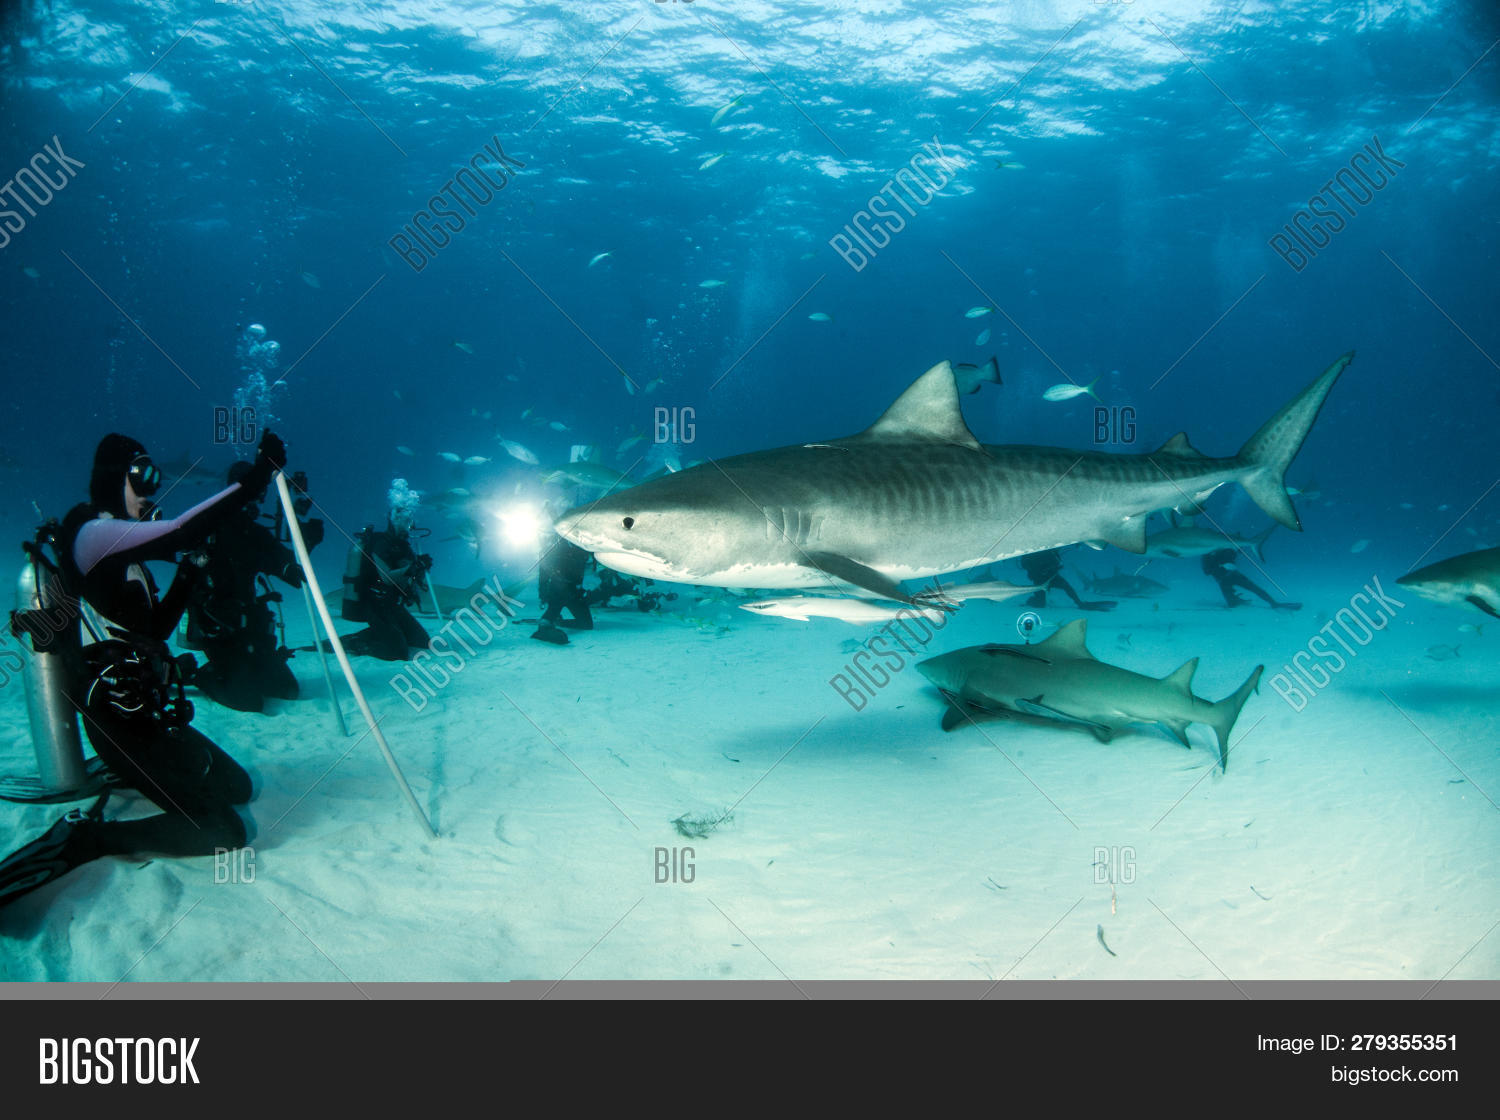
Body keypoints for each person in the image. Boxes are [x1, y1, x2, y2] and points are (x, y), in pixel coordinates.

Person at [0, 430, 287, 908]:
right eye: (142, 476)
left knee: (237, 786)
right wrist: (255, 479)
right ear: (115, 478)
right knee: (223, 828)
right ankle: (90, 840)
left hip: (147, 713)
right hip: (114, 723)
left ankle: (129, 777)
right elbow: (180, 531)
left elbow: (153, 629)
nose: (151, 488)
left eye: (156, 476)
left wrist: (192, 570)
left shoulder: (123, 552)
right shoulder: (91, 534)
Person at [185, 464, 324, 712]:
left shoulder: (255, 533)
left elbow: (291, 571)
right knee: (248, 700)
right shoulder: (208, 529)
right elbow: (190, 580)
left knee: (286, 690)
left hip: (251, 628)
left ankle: (246, 666)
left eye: (259, 493)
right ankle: (202, 674)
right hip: (219, 630)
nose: (256, 499)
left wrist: (307, 544)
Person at [336, 486, 433, 661]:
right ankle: (350, 643)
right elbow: (387, 578)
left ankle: (379, 632)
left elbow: (412, 582)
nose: (407, 522)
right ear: (392, 518)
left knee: (422, 642)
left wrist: (421, 569)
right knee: (397, 652)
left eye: (409, 518)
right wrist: (412, 568)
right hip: (373, 603)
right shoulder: (380, 543)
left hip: (391, 604)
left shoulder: (406, 549)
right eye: (402, 517)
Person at [533, 523, 594, 644]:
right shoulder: (554, 547)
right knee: (552, 611)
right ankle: (546, 624)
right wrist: (543, 594)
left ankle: (557, 621)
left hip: (574, 591)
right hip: (558, 590)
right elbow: (544, 572)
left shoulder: (583, 546)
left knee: (587, 624)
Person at [1201, 548, 1301, 610]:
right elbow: (1207, 572)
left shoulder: (1226, 548)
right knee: (1232, 605)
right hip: (1223, 580)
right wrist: (1220, 566)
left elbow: (1235, 555)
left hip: (1234, 575)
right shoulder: (1205, 554)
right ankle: (1236, 600)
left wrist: (1231, 556)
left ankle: (1274, 604)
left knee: (1255, 589)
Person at [1020, 547, 1116, 611]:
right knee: (1040, 604)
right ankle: (1031, 600)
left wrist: (1053, 567)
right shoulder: (1035, 551)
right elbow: (1024, 564)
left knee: (1067, 587)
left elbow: (1058, 564)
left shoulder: (1052, 552)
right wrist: (1036, 570)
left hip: (1052, 576)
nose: (1058, 549)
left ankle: (1080, 603)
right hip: (1039, 579)